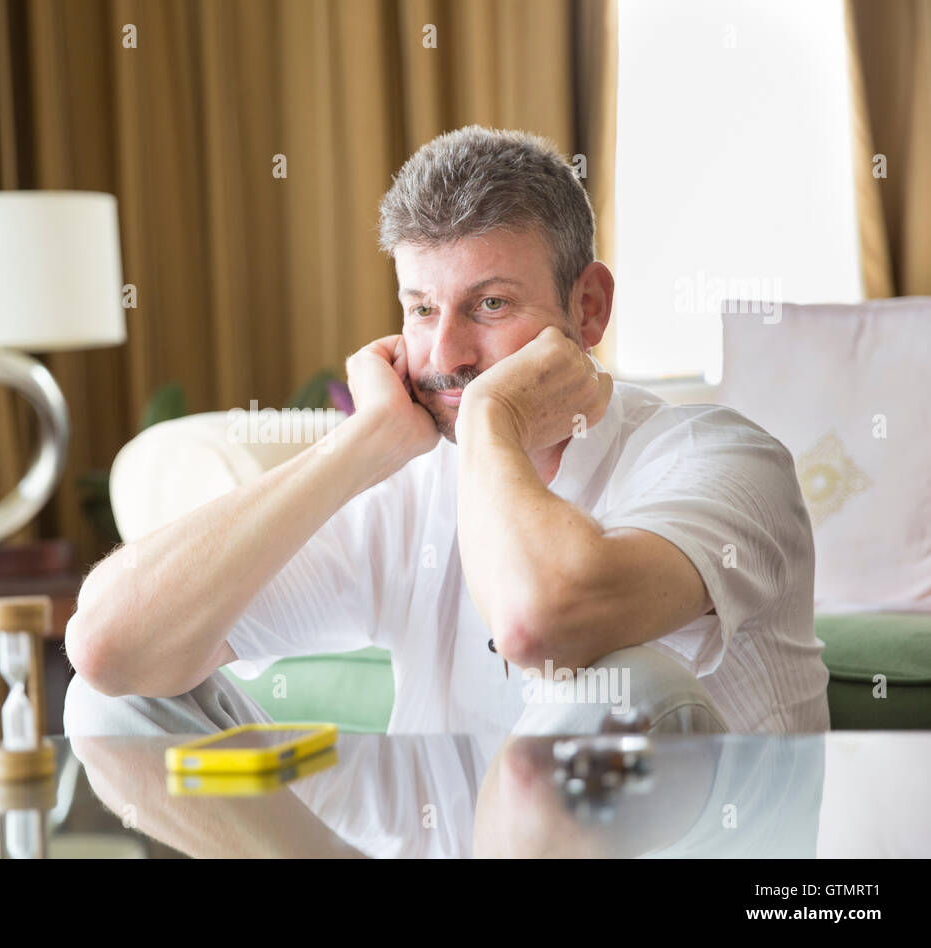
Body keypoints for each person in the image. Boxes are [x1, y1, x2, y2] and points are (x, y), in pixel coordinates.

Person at [64, 126, 830, 739]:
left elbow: (542, 626)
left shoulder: (727, 460)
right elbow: (106, 645)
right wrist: (363, 445)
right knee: (117, 702)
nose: (446, 355)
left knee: (621, 690)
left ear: (588, 307)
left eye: (491, 305)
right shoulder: (410, 479)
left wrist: (494, 418)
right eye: (422, 309)